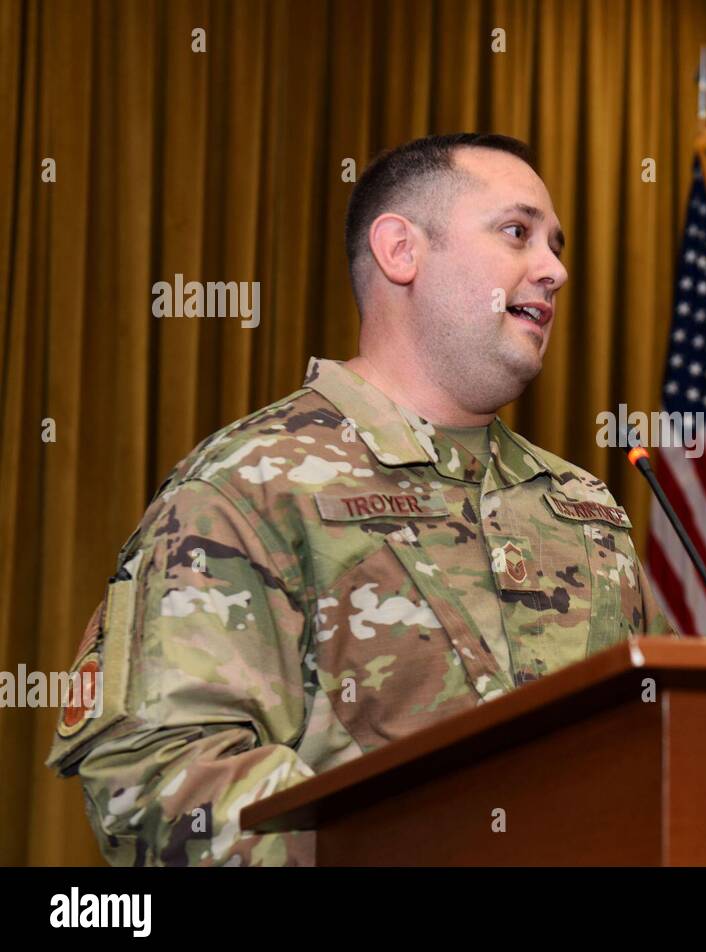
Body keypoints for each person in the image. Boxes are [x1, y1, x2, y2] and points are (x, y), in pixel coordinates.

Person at [46, 132, 674, 866]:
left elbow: (655, 746)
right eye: (517, 233)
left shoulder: (584, 507)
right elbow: (155, 778)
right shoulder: (251, 483)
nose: (556, 270)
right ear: (400, 251)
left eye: (556, 244)